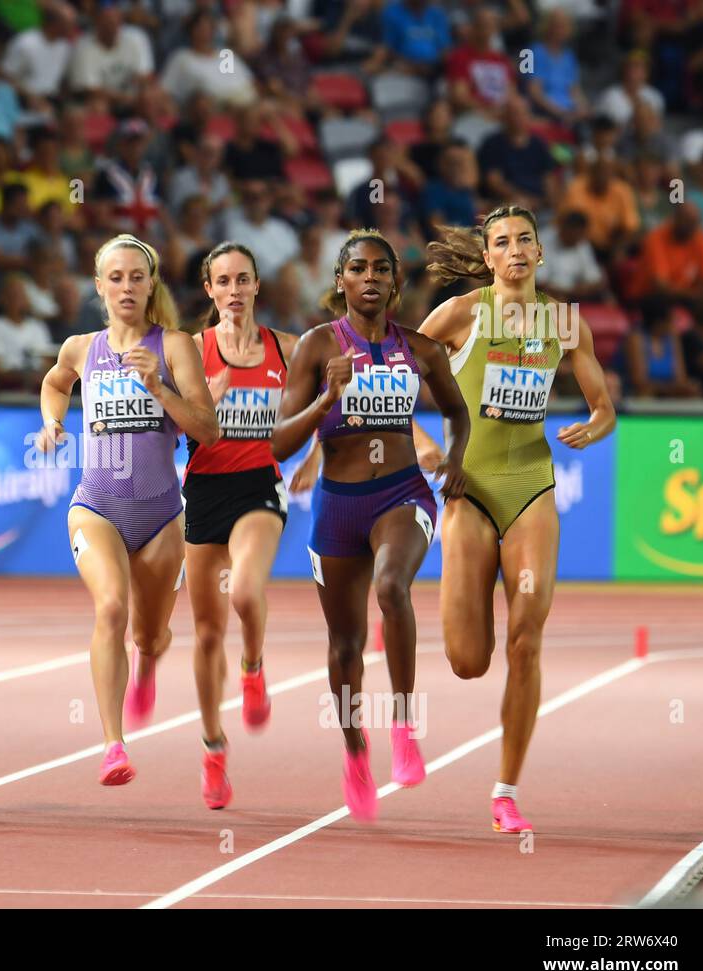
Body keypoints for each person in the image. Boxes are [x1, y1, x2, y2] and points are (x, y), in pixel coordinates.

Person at [420, 204, 616, 833]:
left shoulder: (564, 322)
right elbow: (398, 371)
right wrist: (425, 445)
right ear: (488, 257)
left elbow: (604, 406)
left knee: (526, 638)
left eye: (526, 239)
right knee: (469, 660)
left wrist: (595, 426)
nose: (516, 250)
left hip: (531, 487)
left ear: (540, 251)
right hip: (469, 491)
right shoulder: (461, 315)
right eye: (502, 242)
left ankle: (505, 790)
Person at [272, 230, 470, 822]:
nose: (371, 277)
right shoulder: (314, 347)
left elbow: (457, 411)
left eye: (382, 268)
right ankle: (356, 747)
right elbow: (278, 443)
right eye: (358, 268)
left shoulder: (421, 349)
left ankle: (405, 726)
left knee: (392, 587)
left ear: (396, 283)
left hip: (402, 494)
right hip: (338, 504)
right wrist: (324, 397)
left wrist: (455, 459)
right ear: (341, 282)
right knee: (345, 645)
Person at [37, 234, 219, 785]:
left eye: (136, 277)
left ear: (150, 284)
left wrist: (159, 387)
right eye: (115, 277)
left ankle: (147, 657)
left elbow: (207, 431)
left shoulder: (175, 346)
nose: (126, 287)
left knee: (151, 633)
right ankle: (114, 744)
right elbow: (54, 380)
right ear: (99, 286)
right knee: (111, 607)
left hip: (162, 512)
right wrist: (52, 421)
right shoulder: (80, 347)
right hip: (96, 505)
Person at [182, 242, 300, 809]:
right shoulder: (191, 350)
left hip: (258, 486)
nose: (233, 290)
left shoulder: (287, 348)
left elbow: (328, 403)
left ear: (257, 287)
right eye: (222, 281)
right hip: (204, 492)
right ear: (209, 290)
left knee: (246, 593)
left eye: (243, 280)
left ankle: (253, 667)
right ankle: (212, 747)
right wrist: (202, 405)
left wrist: (320, 455)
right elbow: (167, 425)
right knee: (205, 634)